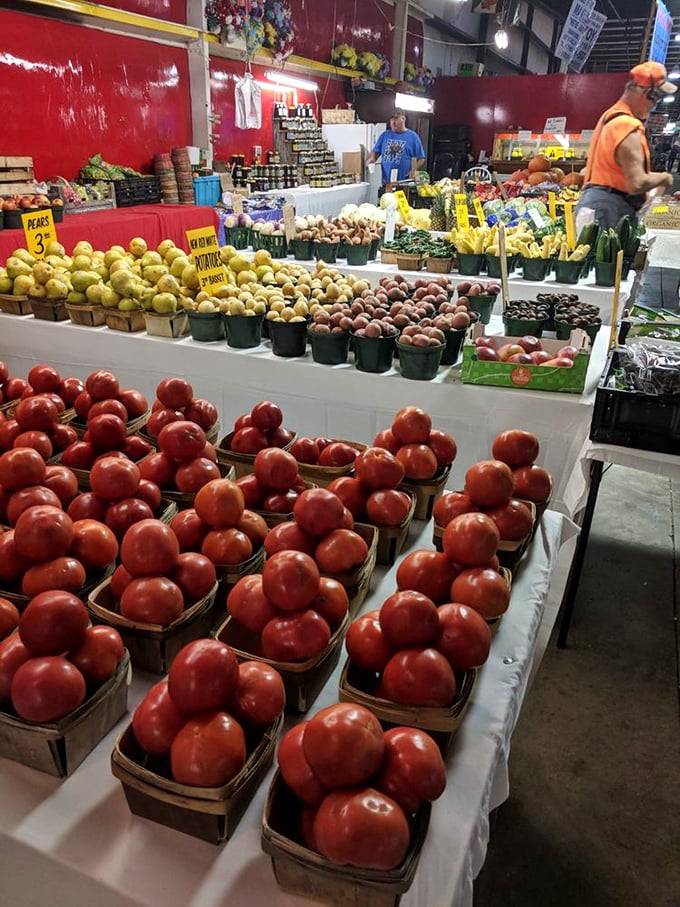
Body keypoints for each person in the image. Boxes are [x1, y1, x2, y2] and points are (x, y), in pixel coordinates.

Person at [576, 61, 676, 231]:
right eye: (656, 98)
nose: (654, 105)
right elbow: (636, 183)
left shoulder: (609, 116)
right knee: (606, 258)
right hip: (609, 211)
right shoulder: (627, 125)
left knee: (589, 256)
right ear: (646, 93)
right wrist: (665, 178)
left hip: (595, 205)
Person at [367, 109, 425, 187]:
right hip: (386, 183)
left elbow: (421, 158)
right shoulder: (385, 135)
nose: (393, 122)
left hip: (404, 183)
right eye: (391, 119)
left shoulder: (413, 136)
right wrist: (372, 158)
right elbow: (375, 152)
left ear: (403, 119)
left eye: (396, 119)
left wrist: (413, 170)